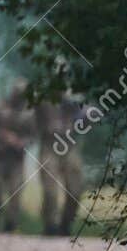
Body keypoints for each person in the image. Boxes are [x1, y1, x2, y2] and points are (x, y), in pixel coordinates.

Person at [0, 79, 35, 233]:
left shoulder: (28, 114)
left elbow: (32, 136)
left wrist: (21, 142)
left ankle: (10, 227)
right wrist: (2, 135)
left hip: (16, 160)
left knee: (15, 193)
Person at [35, 94, 86, 236]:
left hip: (70, 145)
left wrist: (80, 113)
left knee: (75, 190)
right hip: (49, 146)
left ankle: (66, 224)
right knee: (50, 191)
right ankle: (50, 226)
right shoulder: (43, 100)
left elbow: (91, 111)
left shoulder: (77, 99)